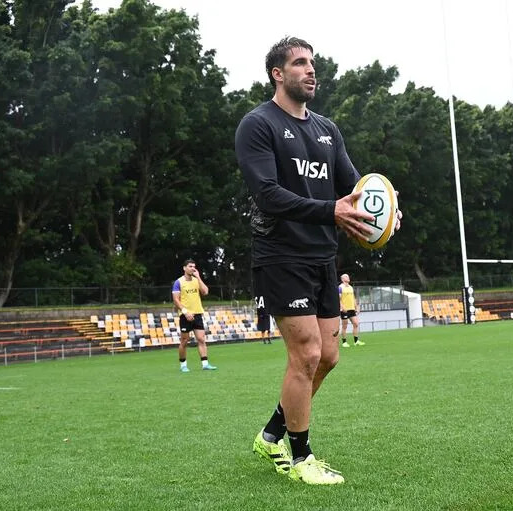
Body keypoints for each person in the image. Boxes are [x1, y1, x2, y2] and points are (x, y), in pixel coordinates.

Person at [235, 36, 400, 485]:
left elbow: (355, 186)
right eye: (300, 63)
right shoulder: (258, 125)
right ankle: (301, 457)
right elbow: (268, 195)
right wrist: (332, 211)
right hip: (280, 255)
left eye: (313, 63)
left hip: (322, 256)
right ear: (277, 73)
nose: (311, 71)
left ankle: (271, 433)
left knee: (328, 356)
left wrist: (382, 211)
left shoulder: (327, 129)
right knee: (305, 353)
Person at [171, 259, 217, 372]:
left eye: (194, 266)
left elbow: (205, 292)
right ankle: (183, 365)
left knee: (201, 339)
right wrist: (185, 312)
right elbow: (176, 300)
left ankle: (205, 364)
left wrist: (199, 277)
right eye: (190, 266)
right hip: (185, 315)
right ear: (184, 268)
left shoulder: (196, 281)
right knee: (184, 341)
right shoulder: (178, 282)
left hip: (197, 313)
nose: (193, 268)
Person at [338, 274, 364, 347]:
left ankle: (356, 341)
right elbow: (338, 299)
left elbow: (353, 298)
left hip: (351, 309)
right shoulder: (340, 287)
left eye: (348, 276)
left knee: (356, 323)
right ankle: (344, 342)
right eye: (346, 277)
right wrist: (342, 307)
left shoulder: (350, 287)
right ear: (342, 279)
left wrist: (357, 307)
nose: (348, 277)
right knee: (344, 326)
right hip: (344, 310)